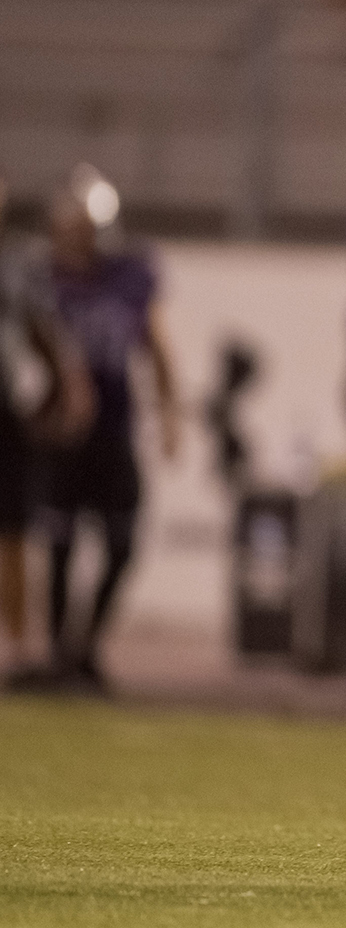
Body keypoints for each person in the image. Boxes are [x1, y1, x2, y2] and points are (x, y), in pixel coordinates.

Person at [39, 191, 180, 691]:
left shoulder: (129, 277)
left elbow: (156, 343)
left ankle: (85, 645)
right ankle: (59, 654)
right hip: (60, 434)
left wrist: (170, 412)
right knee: (59, 544)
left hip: (113, 429)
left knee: (121, 545)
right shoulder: (42, 280)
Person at [0, 178, 92, 679]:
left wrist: (70, 385)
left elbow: (45, 331)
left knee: (13, 530)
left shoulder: (18, 266)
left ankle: (15, 643)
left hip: (7, 409)